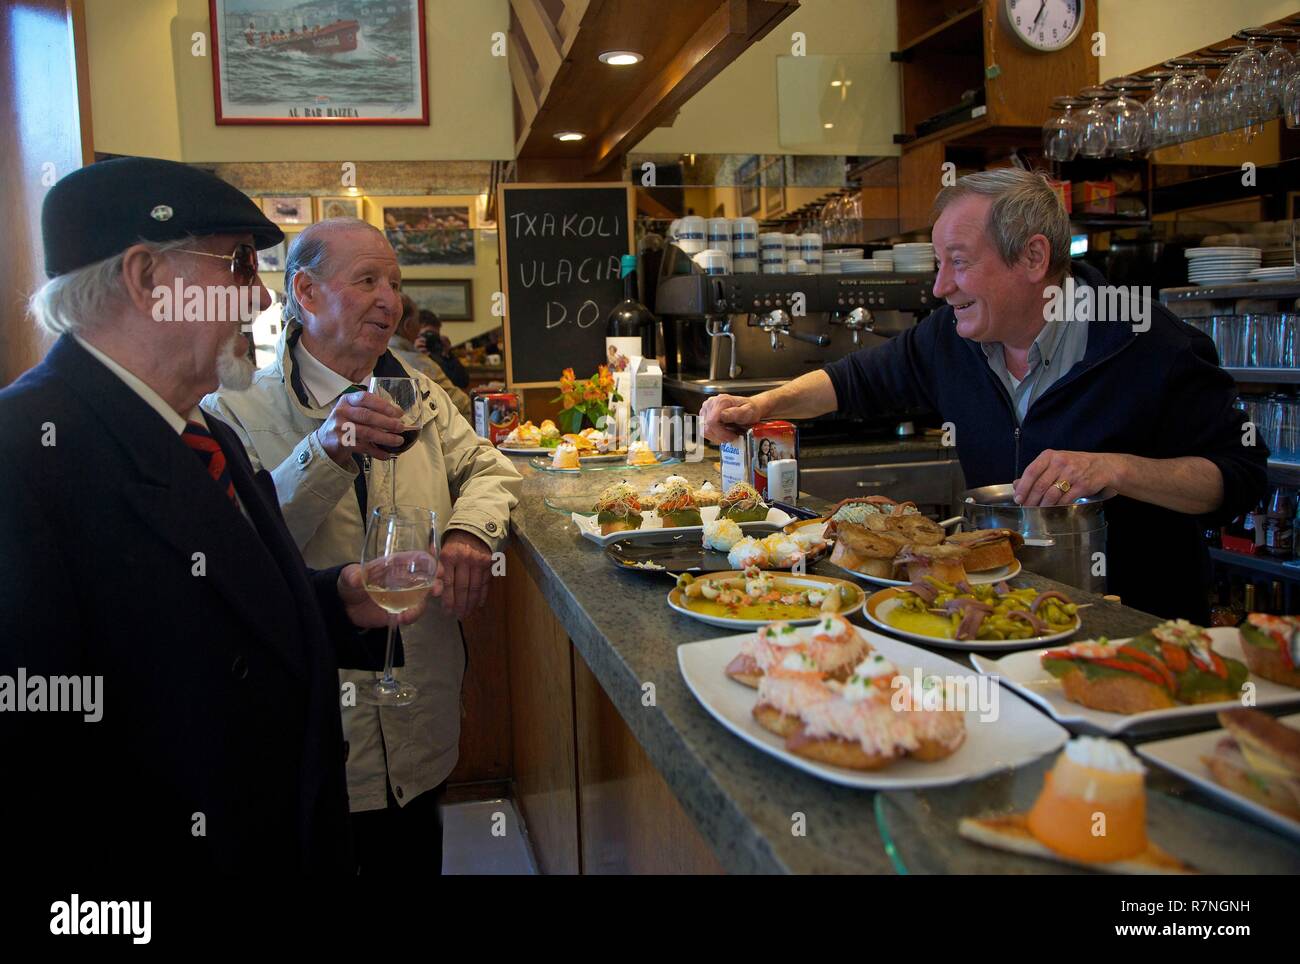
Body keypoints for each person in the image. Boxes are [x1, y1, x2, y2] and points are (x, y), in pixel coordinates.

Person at [0, 157, 423, 874]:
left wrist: (336, 598)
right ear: (146, 279)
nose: (260, 300)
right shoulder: (24, 454)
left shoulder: (204, 432)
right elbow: (35, 778)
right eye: (235, 265)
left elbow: (223, 614)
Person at [700, 169, 1268, 621]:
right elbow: (854, 381)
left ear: (1034, 258)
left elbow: (1241, 478)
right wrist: (759, 408)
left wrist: (1117, 469)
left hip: (1132, 634)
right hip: (999, 619)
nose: (940, 287)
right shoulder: (951, 338)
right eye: (939, 264)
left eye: (960, 264)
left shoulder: (1151, 344)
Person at [203, 217, 522, 875]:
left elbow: (487, 468)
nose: (390, 300)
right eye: (368, 280)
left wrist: (468, 533)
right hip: (319, 727)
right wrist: (325, 451)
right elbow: (245, 547)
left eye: (396, 283)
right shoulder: (234, 411)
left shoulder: (419, 392)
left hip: (422, 706)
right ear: (307, 293)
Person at [390, 296, 471, 416]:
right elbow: (462, 405)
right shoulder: (421, 364)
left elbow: (463, 380)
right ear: (408, 326)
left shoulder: (375, 356)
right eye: (417, 323)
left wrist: (447, 354)